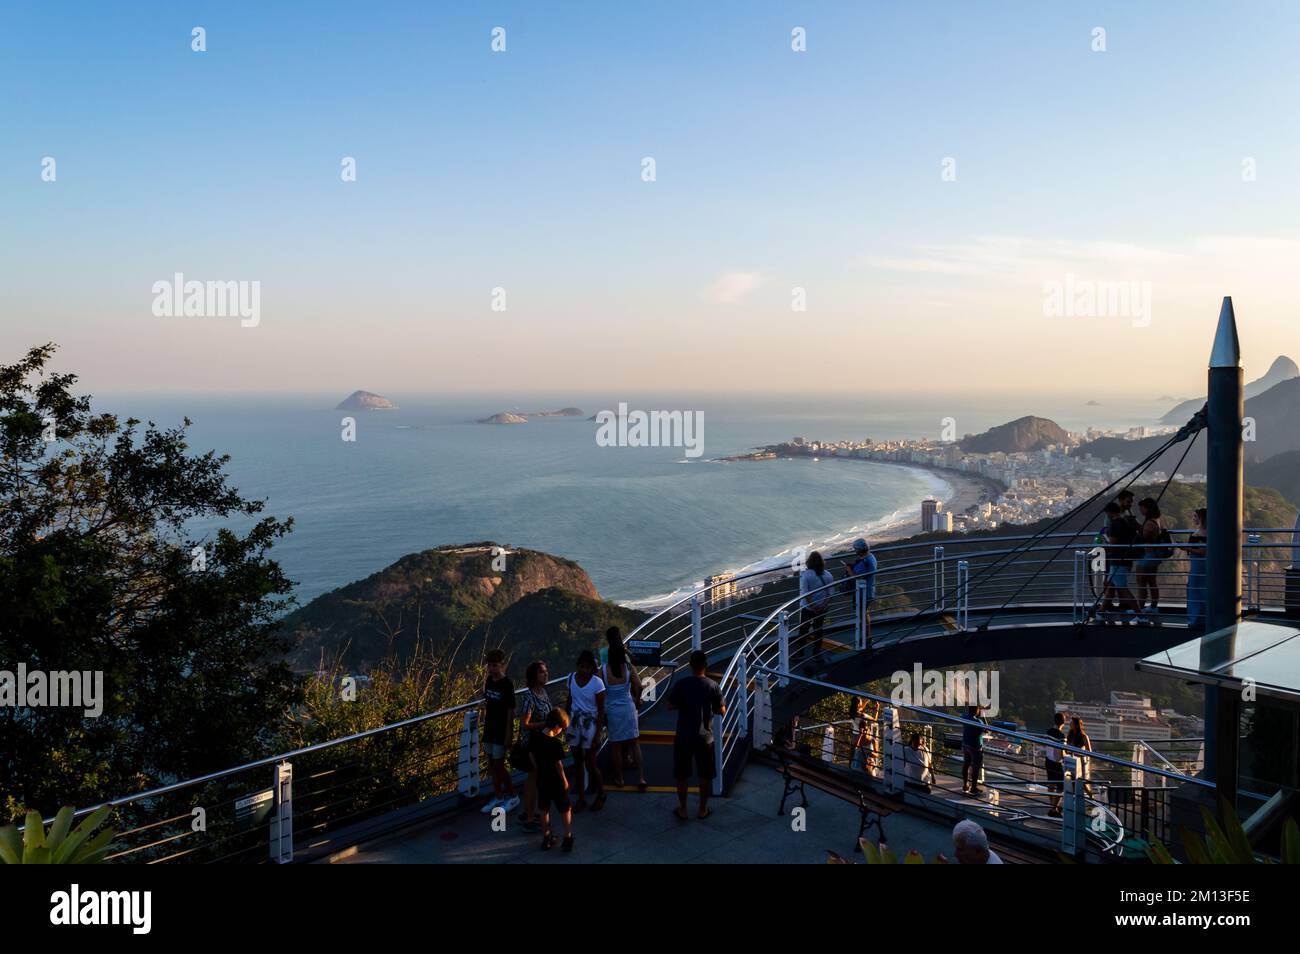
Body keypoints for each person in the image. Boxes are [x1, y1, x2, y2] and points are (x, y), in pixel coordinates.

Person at [666, 649, 726, 820]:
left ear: (690, 665)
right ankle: (702, 809)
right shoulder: (712, 686)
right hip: (705, 738)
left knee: (682, 774)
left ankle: (683, 809)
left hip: (684, 736)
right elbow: (722, 711)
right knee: (705, 774)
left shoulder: (682, 684)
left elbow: (670, 706)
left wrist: (684, 703)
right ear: (705, 665)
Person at [602, 627, 648, 792]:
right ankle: (641, 778)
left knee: (616, 746)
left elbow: (600, 691)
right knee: (635, 744)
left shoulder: (603, 670)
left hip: (612, 711)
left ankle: (620, 778)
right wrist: (637, 700)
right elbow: (639, 686)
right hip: (628, 709)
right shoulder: (629, 668)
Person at [565, 649, 606, 812]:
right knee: (577, 763)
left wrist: (597, 734)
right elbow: (569, 701)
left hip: (590, 725)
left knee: (590, 762)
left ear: (592, 668)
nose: (584, 670)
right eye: (582, 666)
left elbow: (601, 710)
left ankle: (601, 793)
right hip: (574, 723)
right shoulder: (571, 678)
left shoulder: (597, 683)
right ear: (578, 666)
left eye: (588, 667)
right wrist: (564, 723)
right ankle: (581, 798)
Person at [480, 648, 520, 815]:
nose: (491, 668)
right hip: (489, 728)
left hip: (501, 730)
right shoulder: (489, 680)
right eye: (489, 665)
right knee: (491, 764)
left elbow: (511, 711)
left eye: (495, 665)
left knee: (499, 765)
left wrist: (509, 735)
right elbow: (488, 701)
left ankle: (513, 795)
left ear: (502, 665)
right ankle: (498, 796)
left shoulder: (507, 684)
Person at [530, 707, 575, 852]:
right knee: (565, 808)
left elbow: (531, 755)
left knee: (544, 808)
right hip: (555, 780)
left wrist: (537, 769)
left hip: (542, 778)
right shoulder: (555, 743)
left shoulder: (535, 737)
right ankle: (567, 837)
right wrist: (565, 780)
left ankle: (546, 837)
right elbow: (558, 765)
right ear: (556, 726)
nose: (561, 731)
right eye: (562, 728)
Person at [516, 659, 552, 832]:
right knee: (532, 779)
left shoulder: (543, 692)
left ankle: (528, 812)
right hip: (532, 744)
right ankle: (529, 818)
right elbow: (525, 724)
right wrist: (545, 724)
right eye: (541, 672)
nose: (545, 674)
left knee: (534, 779)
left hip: (542, 742)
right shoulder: (529, 696)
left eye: (546, 671)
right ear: (534, 676)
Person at [1102, 501, 1144, 621]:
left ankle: (1140, 615)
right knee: (1110, 586)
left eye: (1107, 513)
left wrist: (1102, 548)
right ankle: (1101, 612)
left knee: (1123, 588)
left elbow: (1113, 545)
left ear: (1110, 512)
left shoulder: (1114, 525)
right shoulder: (1126, 522)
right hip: (1126, 558)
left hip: (1117, 560)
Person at [1134, 497, 1168, 617]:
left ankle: (1139, 608)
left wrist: (1138, 532)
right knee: (1152, 581)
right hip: (1155, 555)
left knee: (1141, 582)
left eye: (1142, 507)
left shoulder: (1149, 523)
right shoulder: (1157, 520)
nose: (1140, 510)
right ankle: (1153, 606)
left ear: (1147, 508)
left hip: (1148, 554)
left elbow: (1146, 537)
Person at [841, 538, 878, 647]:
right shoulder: (870, 557)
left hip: (864, 593)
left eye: (856, 549)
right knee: (864, 614)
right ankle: (866, 636)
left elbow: (858, 577)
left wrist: (849, 570)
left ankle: (866, 638)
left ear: (859, 550)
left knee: (863, 615)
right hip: (867, 591)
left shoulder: (867, 561)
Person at [798, 550, 835, 660]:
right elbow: (830, 593)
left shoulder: (806, 575)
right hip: (822, 608)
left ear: (809, 562)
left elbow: (806, 594)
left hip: (808, 608)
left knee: (804, 630)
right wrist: (822, 605)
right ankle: (816, 653)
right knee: (818, 629)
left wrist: (813, 606)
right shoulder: (828, 575)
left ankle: (800, 653)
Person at [1181, 507, 1208, 629]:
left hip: (1199, 565)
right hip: (1199, 564)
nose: (1194, 518)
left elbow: (1203, 551)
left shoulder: (1202, 534)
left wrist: (1186, 548)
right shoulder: (1204, 532)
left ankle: (1196, 618)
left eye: (1196, 516)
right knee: (1198, 589)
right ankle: (1199, 617)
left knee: (1195, 589)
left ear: (1202, 518)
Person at [1044, 711, 1067, 817]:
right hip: (1057, 763)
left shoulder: (1048, 732)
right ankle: (1053, 809)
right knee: (1061, 787)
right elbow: (1062, 752)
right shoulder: (1061, 736)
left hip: (1048, 760)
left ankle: (1053, 806)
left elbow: (1046, 746)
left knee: (1051, 784)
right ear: (1063, 722)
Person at [961, 704, 987, 796]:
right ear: (977, 711)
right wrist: (983, 715)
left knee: (966, 764)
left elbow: (963, 715)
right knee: (975, 768)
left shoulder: (964, 717)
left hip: (966, 744)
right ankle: (973, 788)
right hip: (976, 747)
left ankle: (965, 785)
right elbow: (986, 730)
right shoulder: (978, 721)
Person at [1067, 716, 1094, 798]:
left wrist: (1078, 754)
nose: (1070, 724)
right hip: (1072, 761)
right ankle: (1074, 799)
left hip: (1081, 762)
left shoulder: (1084, 736)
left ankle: (1092, 798)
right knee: (1073, 782)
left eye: (1071, 723)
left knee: (1082, 783)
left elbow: (1089, 752)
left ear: (1076, 725)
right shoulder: (1070, 736)